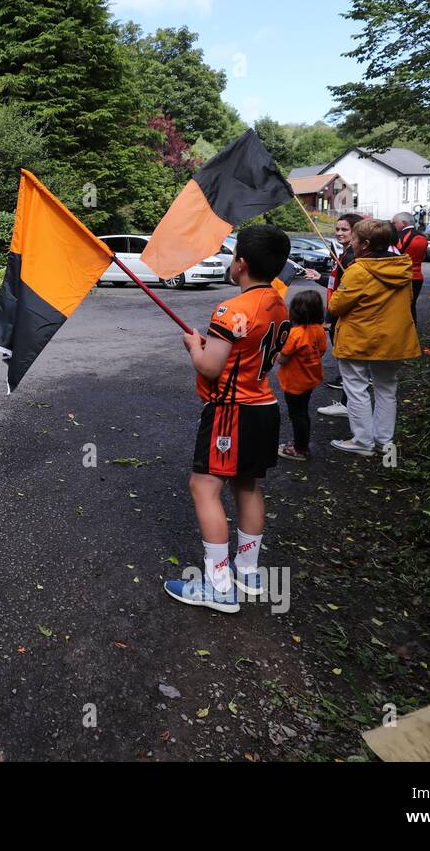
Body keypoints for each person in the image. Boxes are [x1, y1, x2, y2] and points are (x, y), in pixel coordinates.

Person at [164, 224, 292, 614]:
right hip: (264, 406)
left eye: (234, 255)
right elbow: (244, 353)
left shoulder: (232, 309)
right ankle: (247, 572)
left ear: (241, 264)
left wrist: (193, 345)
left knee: (204, 487)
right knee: (248, 486)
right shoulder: (277, 301)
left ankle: (218, 586)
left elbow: (209, 367)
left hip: (231, 412)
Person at [328, 218, 420, 456]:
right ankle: (383, 440)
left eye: (355, 239)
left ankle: (362, 441)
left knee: (356, 388)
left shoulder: (358, 270)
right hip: (393, 338)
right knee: (387, 389)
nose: (353, 243)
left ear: (365, 244)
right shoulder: (403, 266)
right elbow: (409, 301)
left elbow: (336, 306)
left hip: (359, 338)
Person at [316, 213, 363, 419]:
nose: (339, 233)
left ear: (356, 232)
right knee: (346, 365)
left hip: (342, 316)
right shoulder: (345, 254)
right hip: (338, 314)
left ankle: (348, 406)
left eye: (345, 230)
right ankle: (347, 402)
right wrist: (320, 277)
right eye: (337, 229)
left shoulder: (352, 256)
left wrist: (328, 319)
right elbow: (335, 283)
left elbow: (345, 291)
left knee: (349, 366)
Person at [275, 289, 327, 461]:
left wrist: (273, 352)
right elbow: (321, 351)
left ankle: (299, 449)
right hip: (310, 379)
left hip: (295, 382)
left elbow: (283, 359)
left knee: (297, 415)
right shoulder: (319, 330)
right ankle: (301, 444)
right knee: (302, 413)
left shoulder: (295, 334)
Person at [392, 211, 428, 320]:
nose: (393, 226)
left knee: (400, 308)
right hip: (418, 277)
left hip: (402, 276)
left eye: (394, 223)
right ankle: (413, 332)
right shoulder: (422, 236)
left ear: (403, 223)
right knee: (411, 306)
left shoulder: (399, 237)